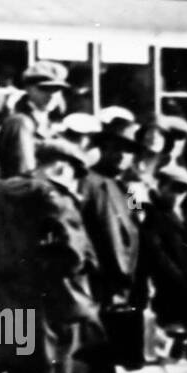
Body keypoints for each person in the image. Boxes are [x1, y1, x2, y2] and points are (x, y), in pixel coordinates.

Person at [0, 139, 97, 373]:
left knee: (18, 362)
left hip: (7, 288)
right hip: (48, 291)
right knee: (56, 364)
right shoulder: (54, 195)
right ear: (62, 166)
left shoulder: (2, 190)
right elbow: (72, 250)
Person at [133, 164, 187, 356]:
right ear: (162, 186)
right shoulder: (151, 214)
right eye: (174, 189)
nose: (178, 196)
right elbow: (155, 253)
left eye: (183, 191)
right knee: (168, 342)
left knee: (186, 343)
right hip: (167, 289)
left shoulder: (185, 219)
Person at [80, 127, 140, 311]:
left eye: (128, 151)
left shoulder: (127, 186)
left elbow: (136, 223)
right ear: (102, 150)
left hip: (127, 278)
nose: (122, 156)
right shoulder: (89, 182)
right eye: (116, 149)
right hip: (101, 280)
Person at [0, 61, 69, 178]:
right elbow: (24, 175)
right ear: (28, 89)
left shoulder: (55, 126)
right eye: (45, 88)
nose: (52, 95)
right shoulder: (19, 123)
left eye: (57, 89)